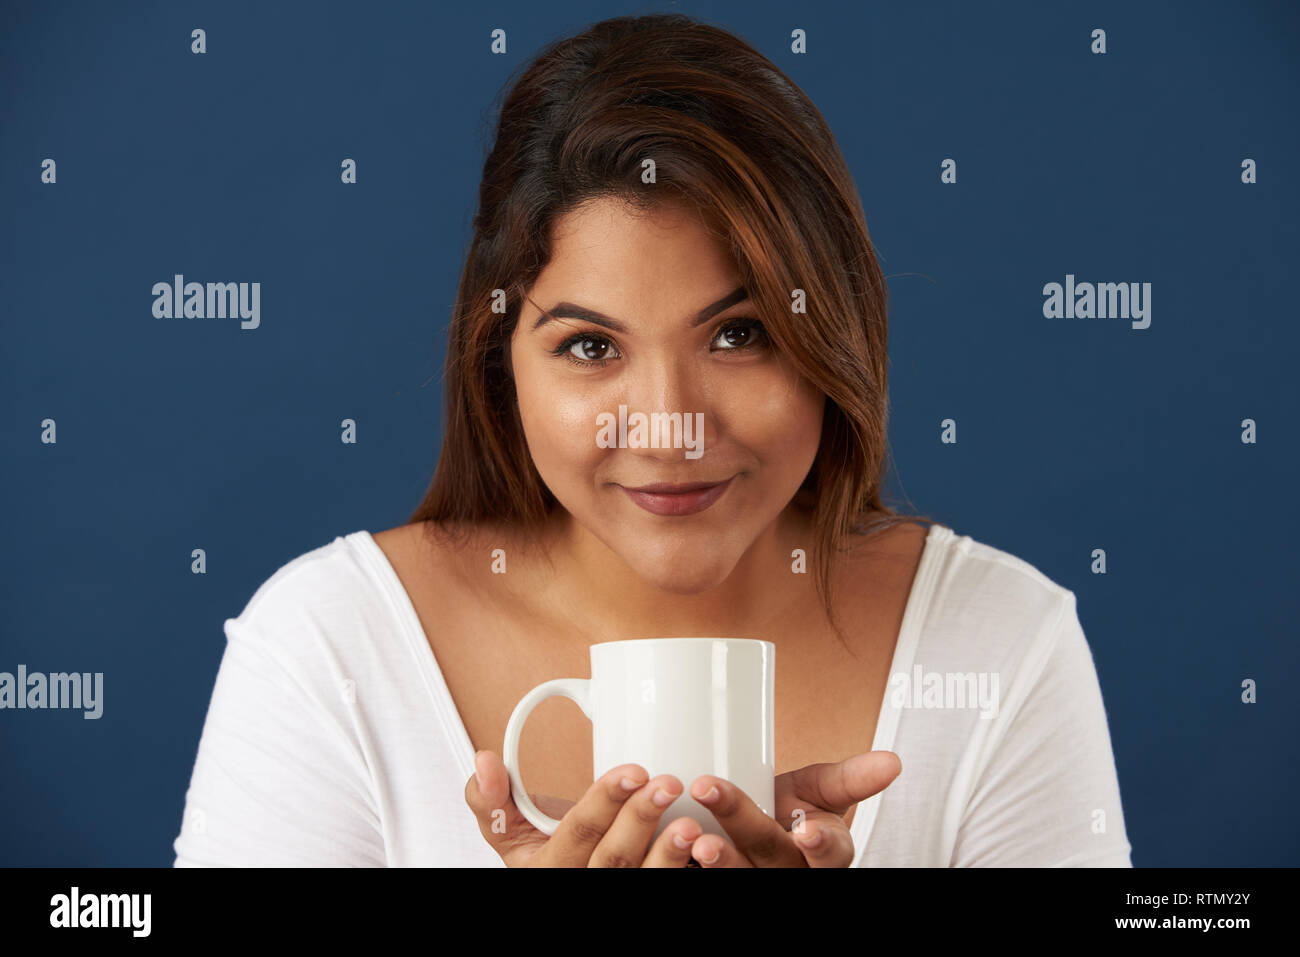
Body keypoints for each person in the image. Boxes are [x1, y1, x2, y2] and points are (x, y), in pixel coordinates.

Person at [172, 13, 1132, 867]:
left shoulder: (1001, 643)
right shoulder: (328, 649)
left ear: (829, 331)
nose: (669, 426)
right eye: (590, 345)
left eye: (739, 334)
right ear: (498, 357)